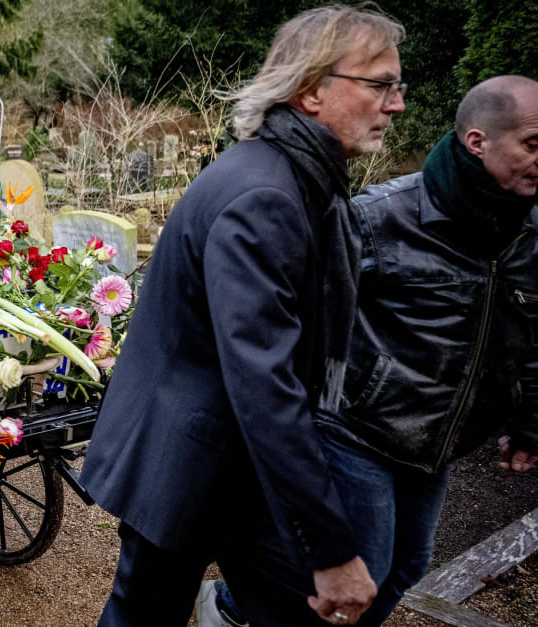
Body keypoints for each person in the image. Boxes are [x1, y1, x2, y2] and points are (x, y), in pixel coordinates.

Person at [79, 6, 407, 626]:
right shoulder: (266, 196)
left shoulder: (301, 178)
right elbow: (265, 385)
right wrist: (331, 550)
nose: (395, 103)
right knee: (145, 612)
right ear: (312, 89)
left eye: (398, 85)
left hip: (229, 459)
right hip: (188, 458)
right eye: (379, 83)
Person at [207, 75, 538, 627]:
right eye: (533, 144)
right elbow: (297, 317)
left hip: (437, 442)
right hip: (357, 430)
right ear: (478, 142)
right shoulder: (382, 217)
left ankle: (237, 605)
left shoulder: (532, 233)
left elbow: (529, 333)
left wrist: (529, 421)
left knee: (407, 566)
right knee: (364, 566)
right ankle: (244, 608)